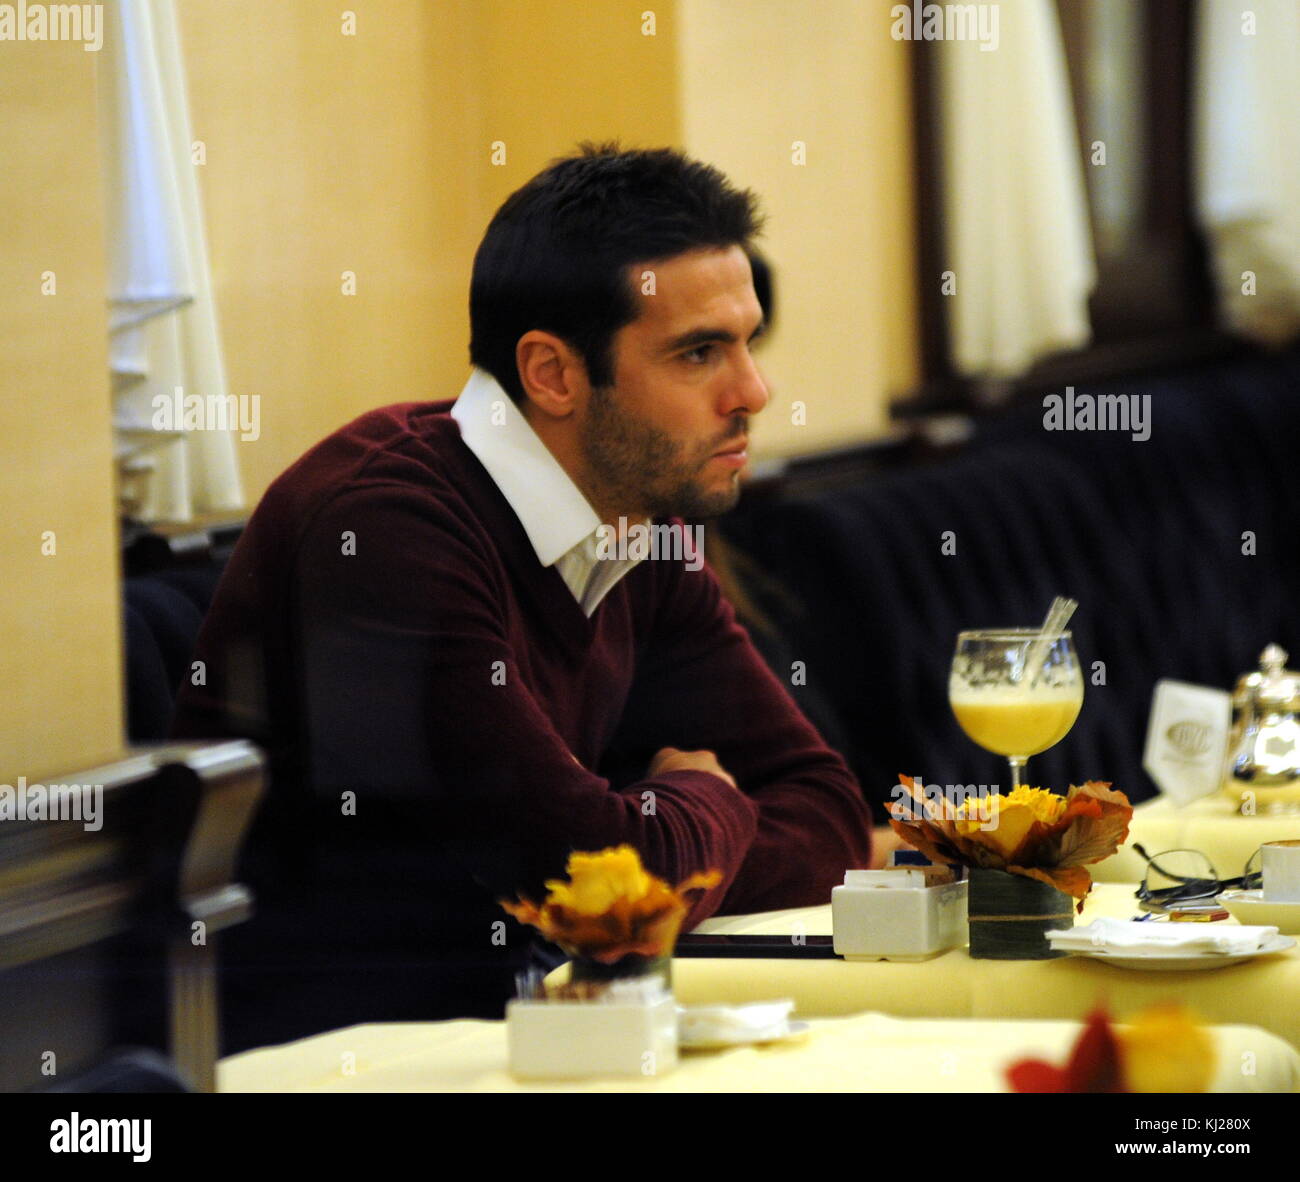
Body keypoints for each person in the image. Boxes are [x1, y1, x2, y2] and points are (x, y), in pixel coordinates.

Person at [172, 143, 875, 1053]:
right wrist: (710, 797)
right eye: (700, 352)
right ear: (551, 375)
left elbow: (824, 805)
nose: (755, 390)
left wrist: (664, 832)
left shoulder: (639, 516)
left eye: (747, 341)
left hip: (535, 1035)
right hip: (339, 1057)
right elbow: (572, 872)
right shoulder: (387, 528)